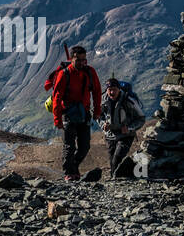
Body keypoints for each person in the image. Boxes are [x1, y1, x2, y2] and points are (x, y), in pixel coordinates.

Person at [49, 45, 102, 180]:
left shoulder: (90, 72)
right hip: (68, 114)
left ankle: (73, 167)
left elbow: (96, 92)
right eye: (78, 60)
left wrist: (97, 111)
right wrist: (57, 119)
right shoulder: (64, 74)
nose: (82, 63)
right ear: (71, 59)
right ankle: (69, 173)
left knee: (85, 146)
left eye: (84, 60)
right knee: (69, 146)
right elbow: (57, 97)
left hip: (84, 113)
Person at [99, 77, 145, 178]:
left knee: (117, 158)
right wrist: (103, 125)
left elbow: (141, 118)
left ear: (119, 89)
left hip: (126, 135)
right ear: (106, 90)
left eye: (114, 89)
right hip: (110, 135)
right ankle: (115, 179)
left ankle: (118, 179)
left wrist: (129, 128)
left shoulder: (128, 100)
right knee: (112, 160)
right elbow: (98, 115)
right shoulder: (102, 100)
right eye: (109, 90)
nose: (111, 92)